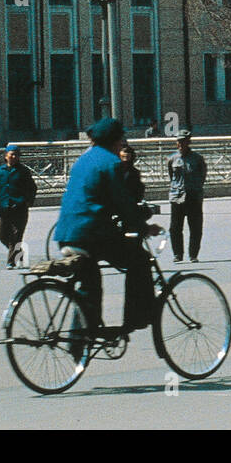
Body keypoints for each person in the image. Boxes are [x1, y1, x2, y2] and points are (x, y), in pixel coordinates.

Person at [53, 117, 160, 340]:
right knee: (140, 260)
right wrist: (143, 227)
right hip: (90, 234)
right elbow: (123, 203)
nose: (123, 143)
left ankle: (79, 341)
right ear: (114, 140)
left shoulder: (82, 160)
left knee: (89, 284)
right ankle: (136, 319)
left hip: (66, 233)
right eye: (121, 139)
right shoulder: (111, 163)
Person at [0, 144, 36, 268]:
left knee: (16, 235)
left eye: (16, 155)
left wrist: (28, 201)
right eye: (12, 154)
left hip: (20, 207)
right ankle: (19, 253)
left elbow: (32, 188)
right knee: (3, 236)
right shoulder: (0, 171)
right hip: (4, 207)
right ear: (6, 156)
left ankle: (11, 261)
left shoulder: (23, 171)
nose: (14, 157)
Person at [167, 130, 208, 262]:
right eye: (178, 141)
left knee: (195, 227)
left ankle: (193, 255)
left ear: (188, 142)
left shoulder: (197, 159)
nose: (180, 144)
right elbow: (171, 176)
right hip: (177, 196)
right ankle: (177, 254)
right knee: (175, 228)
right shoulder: (172, 159)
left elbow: (202, 175)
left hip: (193, 196)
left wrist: (195, 188)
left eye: (183, 141)